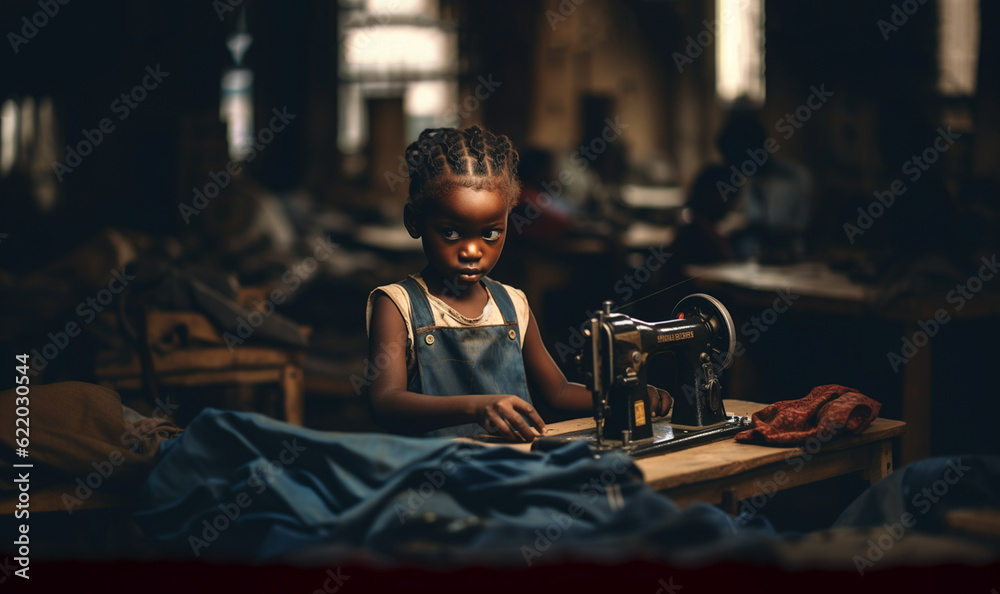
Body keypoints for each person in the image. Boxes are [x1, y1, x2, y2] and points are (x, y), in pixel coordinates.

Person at [365, 125, 672, 441]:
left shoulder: (513, 304)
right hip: (433, 465)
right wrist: (476, 407)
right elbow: (385, 401)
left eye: (490, 233)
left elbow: (558, 391)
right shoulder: (398, 305)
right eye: (451, 233)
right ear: (414, 222)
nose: (472, 251)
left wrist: (624, 395)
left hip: (511, 461)